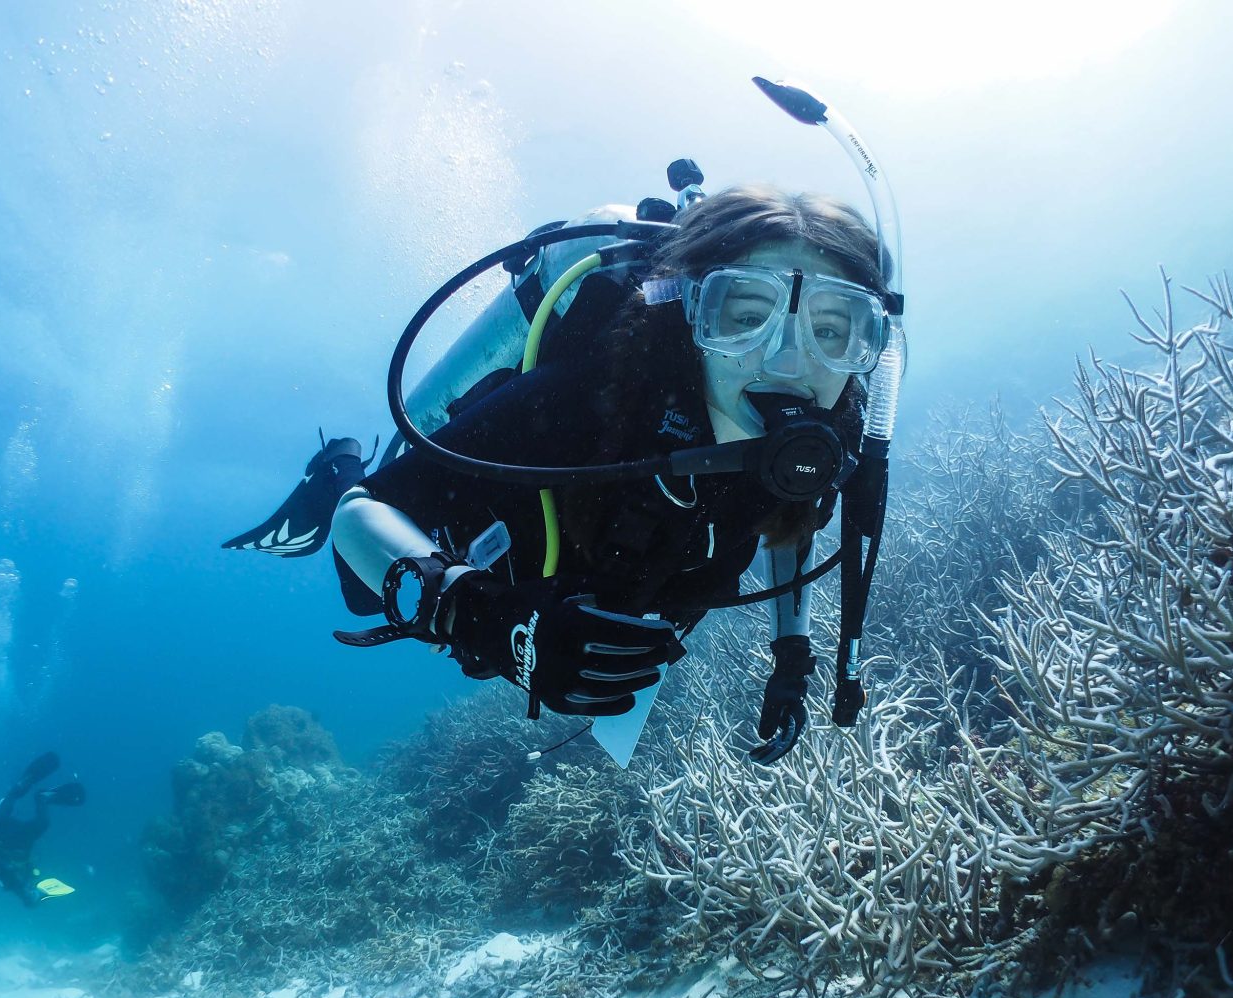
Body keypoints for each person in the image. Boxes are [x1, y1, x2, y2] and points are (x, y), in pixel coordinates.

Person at [328, 184, 895, 763]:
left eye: (829, 330)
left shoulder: (837, 423)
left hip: (635, 581)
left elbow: (790, 520)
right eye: (747, 316)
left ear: (868, 341)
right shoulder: (583, 400)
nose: (788, 363)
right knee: (361, 595)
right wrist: (474, 615)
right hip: (480, 540)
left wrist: (791, 655)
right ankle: (336, 461)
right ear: (692, 311)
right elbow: (356, 514)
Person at [0, 751, 85, 906]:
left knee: (40, 822)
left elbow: (17, 882)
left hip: (8, 837)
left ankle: (38, 795)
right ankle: (28, 788)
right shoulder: (11, 873)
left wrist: (31, 896)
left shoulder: (9, 873)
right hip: (3, 832)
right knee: (9, 805)